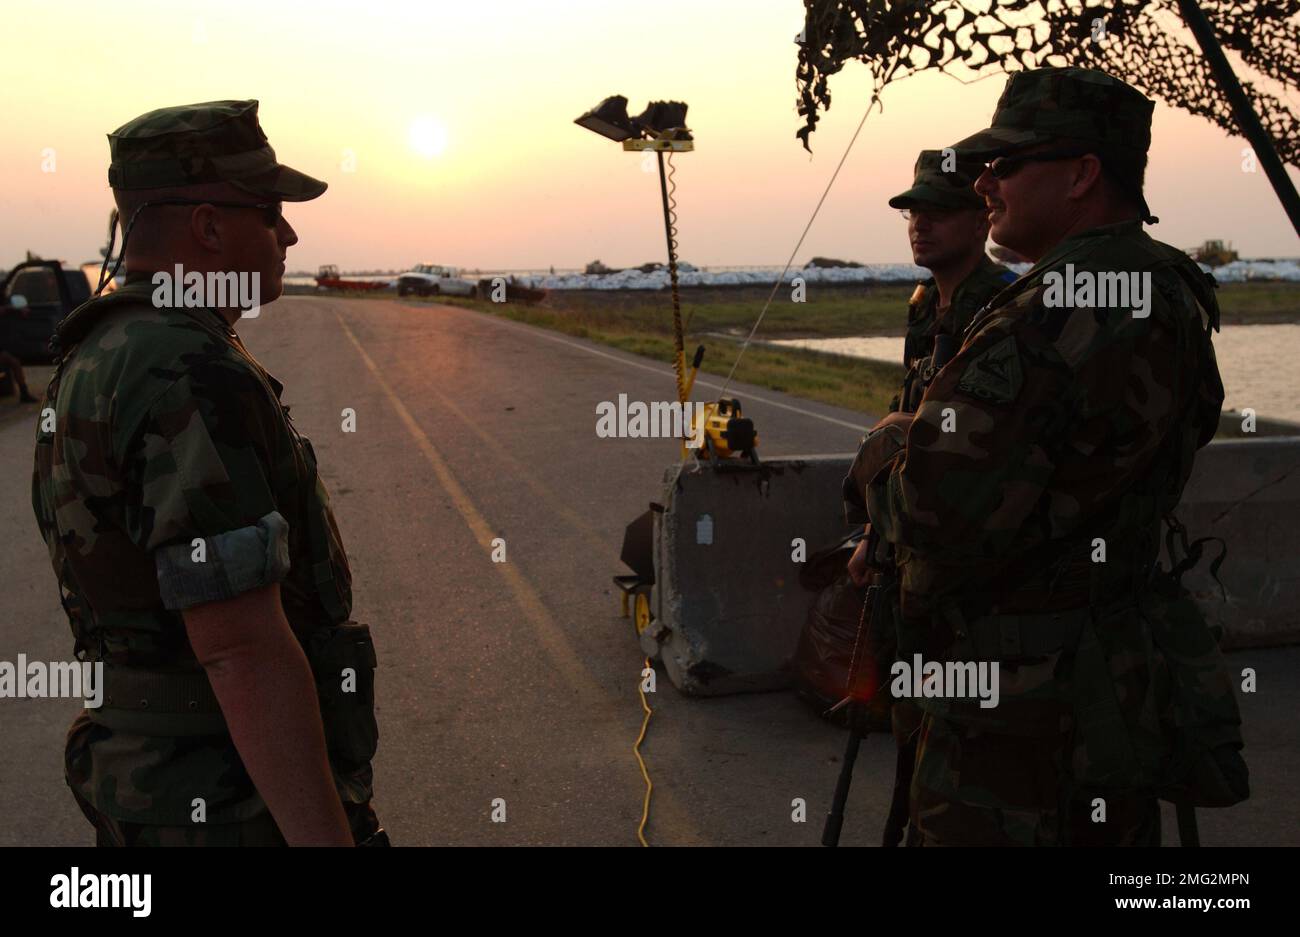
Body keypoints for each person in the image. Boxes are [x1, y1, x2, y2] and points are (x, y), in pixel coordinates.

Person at [843, 67, 1247, 845]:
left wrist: (887, 449)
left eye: (1009, 163)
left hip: (1013, 712)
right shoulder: (1170, 290)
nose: (987, 182)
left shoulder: (1053, 311)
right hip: (1112, 692)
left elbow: (933, 510)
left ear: (1082, 173)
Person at [31, 100, 385, 846]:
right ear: (208, 227)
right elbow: (240, 646)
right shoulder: (184, 370)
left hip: (154, 783)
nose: (289, 233)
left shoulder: (103, 351)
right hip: (223, 799)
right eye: (269, 211)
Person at [886, 149, 1018, 415]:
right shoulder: (926, 300)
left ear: (981, 224)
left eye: (937, 212)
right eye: (913, 212)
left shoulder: (1005, 302)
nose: (919, 225)